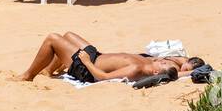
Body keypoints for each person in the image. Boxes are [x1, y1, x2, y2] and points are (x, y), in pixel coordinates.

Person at [15, 31, 202, 84]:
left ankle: (27, 76)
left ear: (155, 72)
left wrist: (87, 62)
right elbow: (179, 70)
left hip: (87, 68)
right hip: (97, 56)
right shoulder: (157, 65)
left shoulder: (136, 70)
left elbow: (101, 77)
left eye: (161, 63)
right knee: (69, 35)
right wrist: (194, 69)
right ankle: (48, 70)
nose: (161, 60)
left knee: (52, 38)